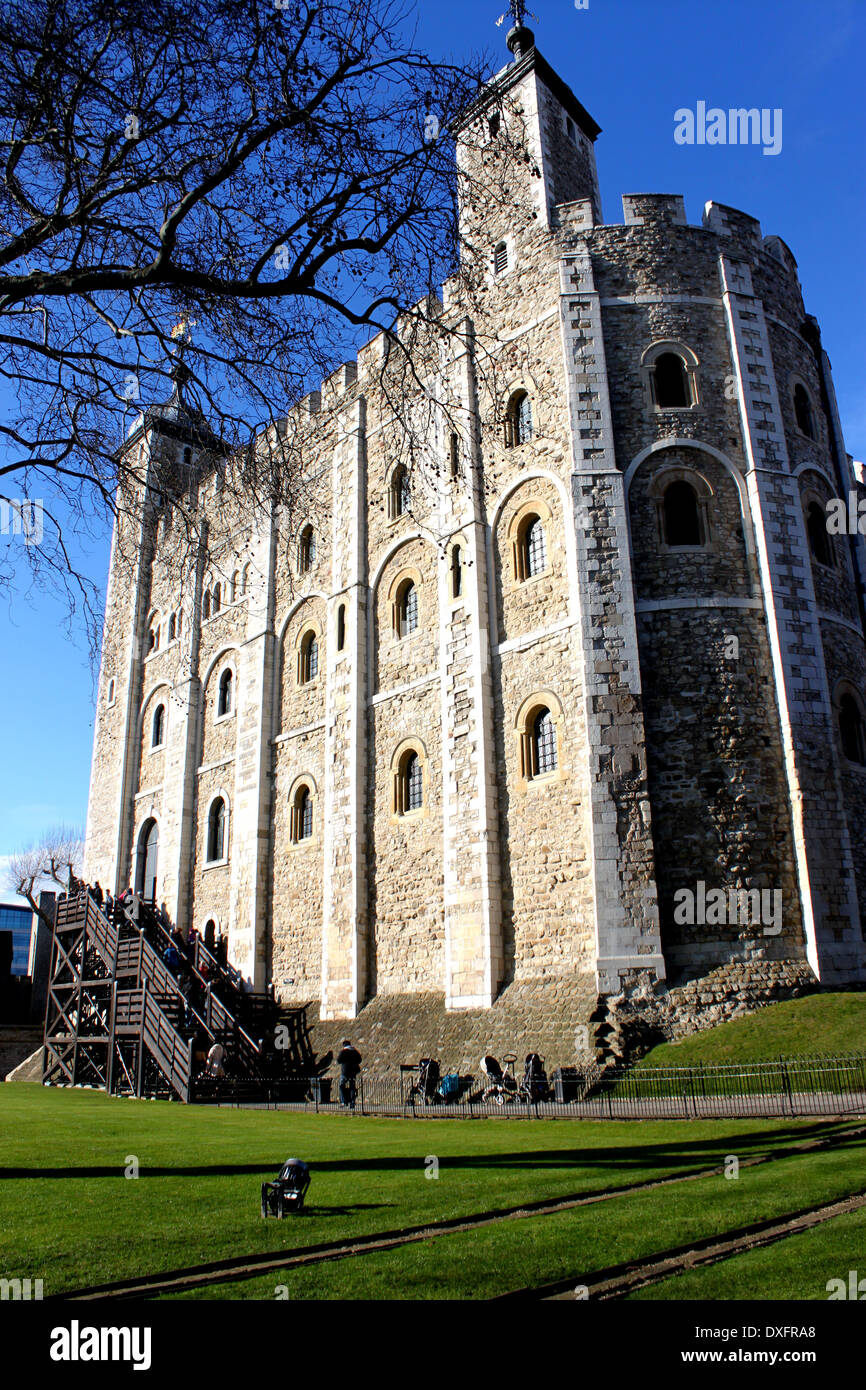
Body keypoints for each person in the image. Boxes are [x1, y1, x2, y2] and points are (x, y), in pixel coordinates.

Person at [337, 1039, 362, 1110]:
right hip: (353, 1072)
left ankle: (344, 1101)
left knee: (341, 1085)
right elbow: (359, 1060)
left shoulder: (343, 1052)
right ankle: (352, 1102)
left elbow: (338, 1060)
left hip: (345, 1071)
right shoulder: (355, 1052)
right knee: (352, 1087)